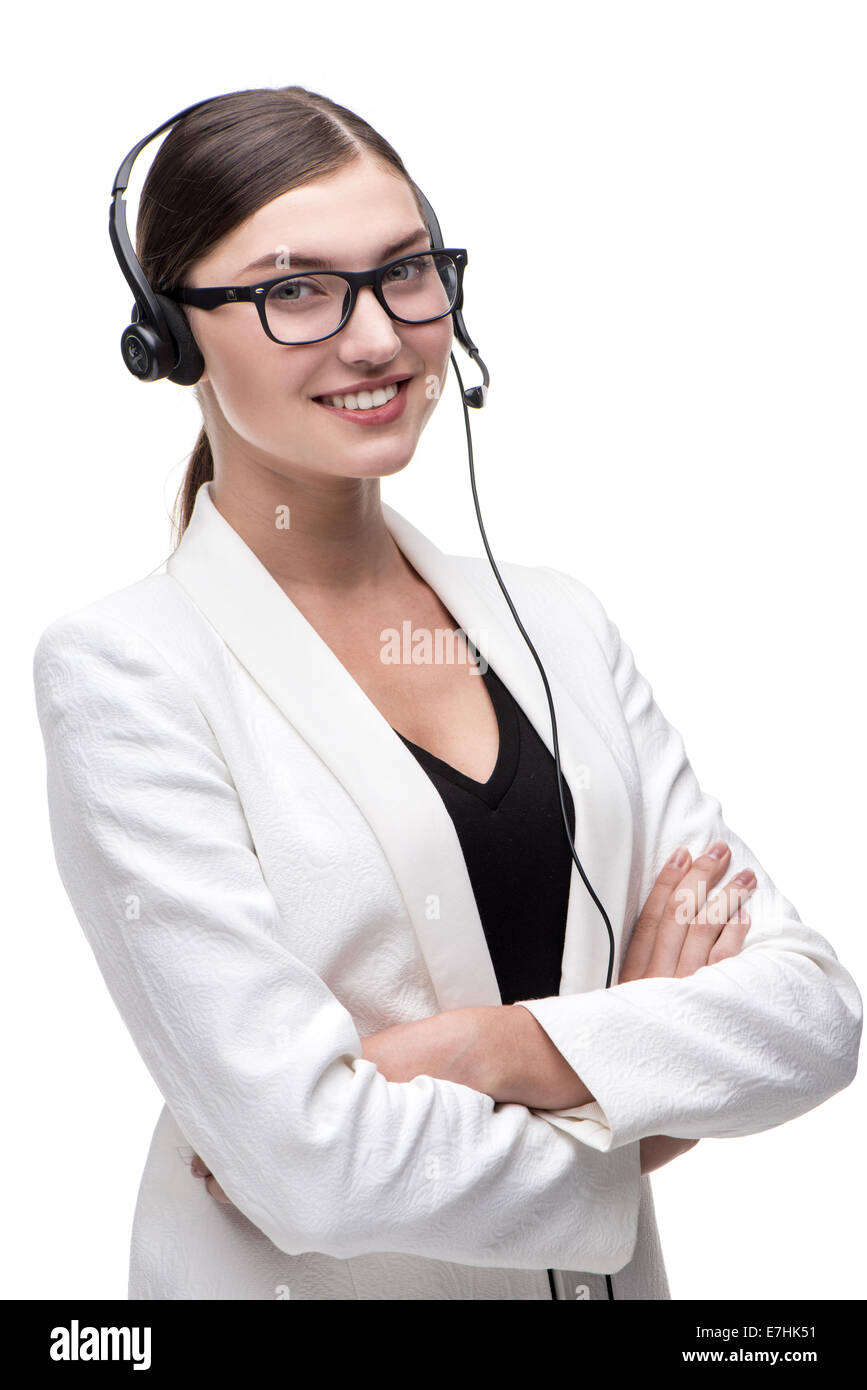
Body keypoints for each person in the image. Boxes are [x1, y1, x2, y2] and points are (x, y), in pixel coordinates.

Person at [33, 85, 861, 1301]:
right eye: (295, 289)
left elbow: (812, 1010)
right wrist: (650, 1102)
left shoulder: (559, 622)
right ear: (168, 332)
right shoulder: (126, 673)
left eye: (407, 272)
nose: (376, 338)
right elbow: (311, 1173)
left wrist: (493, 1048)